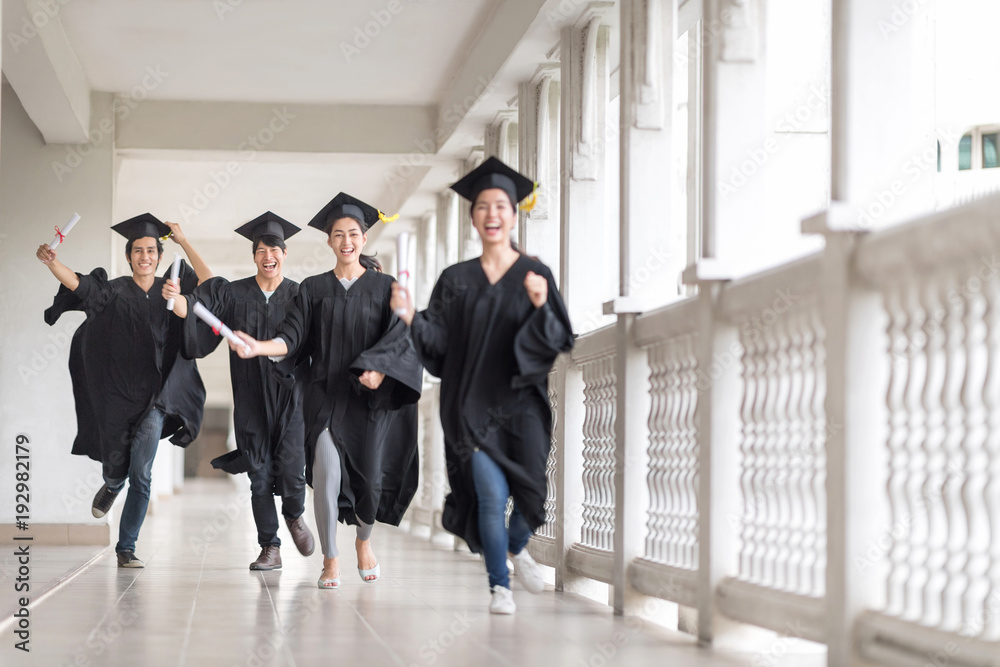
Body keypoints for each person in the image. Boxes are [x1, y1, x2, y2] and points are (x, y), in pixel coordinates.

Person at [390, 157, 574, 614]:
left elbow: (559, 339)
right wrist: (412, 317)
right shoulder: (456, 280)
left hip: (522, 406)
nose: (492, 214)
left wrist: (540, 305)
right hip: (471, 407)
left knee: (532, 498)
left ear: (514, 215)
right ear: (473, 217)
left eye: (501, 206)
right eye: (483, 207)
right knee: (491, 497)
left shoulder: (535, 274)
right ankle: (500, 587)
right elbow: (437, 345)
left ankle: (515, 548)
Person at [231, 193, 423, 589]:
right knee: (326, 472)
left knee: (369, 482)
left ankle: (364, 543)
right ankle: (330, 559)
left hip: (369, 402)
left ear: (364, 240)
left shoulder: (387, 287)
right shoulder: (313, 289)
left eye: (353, 233)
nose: (346, 240)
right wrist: (260, 347)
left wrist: (380, 371)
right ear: (330, 241)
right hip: (323, 398)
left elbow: (402, 338)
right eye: (338, 234)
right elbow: (292, 337)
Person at [38, 215, 213, 568]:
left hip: (157, 398)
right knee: (116, 466)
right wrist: (54, 262)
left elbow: (211, 285)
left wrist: (183, 242)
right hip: (117, 396)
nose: (144, 256)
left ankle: (126, 547)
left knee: (142, 473)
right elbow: (79, 285)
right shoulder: (114, 290)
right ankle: (112, 484)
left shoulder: (172, 289)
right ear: (130, 256)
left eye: (151, 250)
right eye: (138, 251)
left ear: (159, 256)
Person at [161, 211, 315, 571]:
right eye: (261, 250)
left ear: (285, 253)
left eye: (274, 249)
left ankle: (294, 514)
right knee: (259, 476)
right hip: (249, 398)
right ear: (254, 255)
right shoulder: (235, 294)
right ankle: (270, 547)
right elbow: (200, 301)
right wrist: (176, 297)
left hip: (291, 398)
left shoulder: (301, 295)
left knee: (292, 471)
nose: (268, 256)